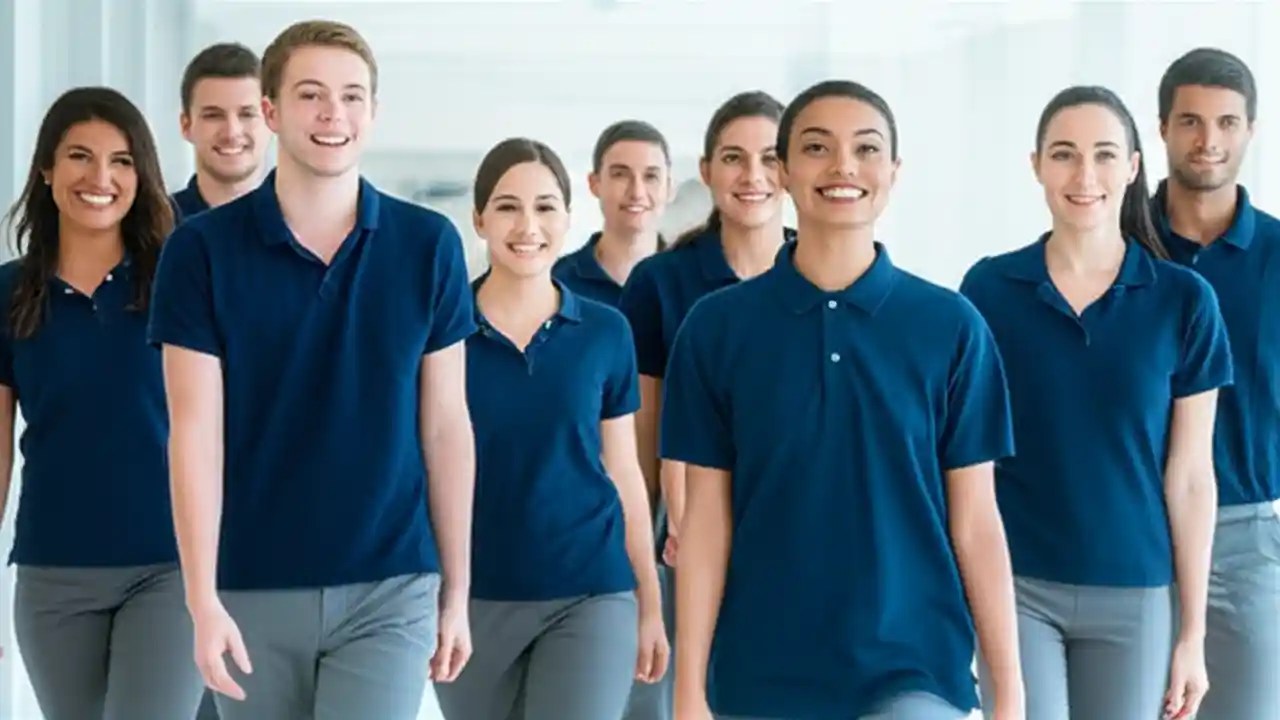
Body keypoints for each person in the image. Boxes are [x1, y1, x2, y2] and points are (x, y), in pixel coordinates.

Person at [664, 79, 1024, 720]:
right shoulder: (716, 329)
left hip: (914, 666)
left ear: (894, 171)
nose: (843, 166)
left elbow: (976, 522)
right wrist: (688, 691)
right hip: (760, 672)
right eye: (816, 147)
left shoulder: (951, 327)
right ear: (782, 170)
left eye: (866, 148)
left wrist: (1010, 695)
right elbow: (706, 523)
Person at [148, 20, 476, 720]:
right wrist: (200, 598)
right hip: (252, 584)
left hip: (392, 584)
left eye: (352, 96)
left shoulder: (428, 245)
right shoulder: (199, 251)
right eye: (311, 95)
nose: (334, 113)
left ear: (373, 112)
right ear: (271, 111)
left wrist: (457, 592)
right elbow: (194, 433)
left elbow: (447, 427)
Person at [960, 84, 1230, 720]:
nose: (1085, 176)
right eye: (1064, 154)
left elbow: (1191, 477)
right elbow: (964, 461)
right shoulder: (989, 290)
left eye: (1105, 155)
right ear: (1036, 166)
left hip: (1136, 589)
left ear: (1133, 167)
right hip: (1017, 585)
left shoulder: (1184, 300)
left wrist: (1192, 635)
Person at [433, 137, 668, 720]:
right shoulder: (441, 335)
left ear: (567, 217)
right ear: (479, 219)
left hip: (591, 590)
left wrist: (649, 601)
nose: (527, 226)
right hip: (474, 598)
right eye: (508, 207)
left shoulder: (606, 332)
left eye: (544, 207)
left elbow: (624, 472)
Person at [0, 86, 204, 720]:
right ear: (46, 168)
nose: (100, 178)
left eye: (121, 161)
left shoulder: (181, 283)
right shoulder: (9, 292)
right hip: (53, 572)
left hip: (170, 566)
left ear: (141, 177)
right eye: (79, 156)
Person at [617, 91, 789, 720]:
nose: (752, 175)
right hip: (686, 529)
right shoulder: (661, 283)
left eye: (769, 158)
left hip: (793, 524)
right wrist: (643, 557)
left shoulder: (825, 275)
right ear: (708, 170)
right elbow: (642, 440)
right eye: (734, 158)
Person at [1151, 47, 1280, 720]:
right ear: (1163, 128)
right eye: (1191, 121)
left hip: (1245, 538)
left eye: (1227, 122)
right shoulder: (1117, 245)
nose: (1209, 140)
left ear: (1251, 130)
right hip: (1133, 531)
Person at [552, 120, 672, 308]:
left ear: (669, 187)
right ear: (594, 184)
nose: (637, 192)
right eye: (620, 175)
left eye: (650, 176)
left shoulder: (691, 282)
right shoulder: (556, 283)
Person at [171, 42, 269, 220]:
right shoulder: (152, 227)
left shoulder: (306, 224)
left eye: (246, 114)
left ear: (272, 119)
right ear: (186, 126)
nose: (231, 133)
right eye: (213, 116)